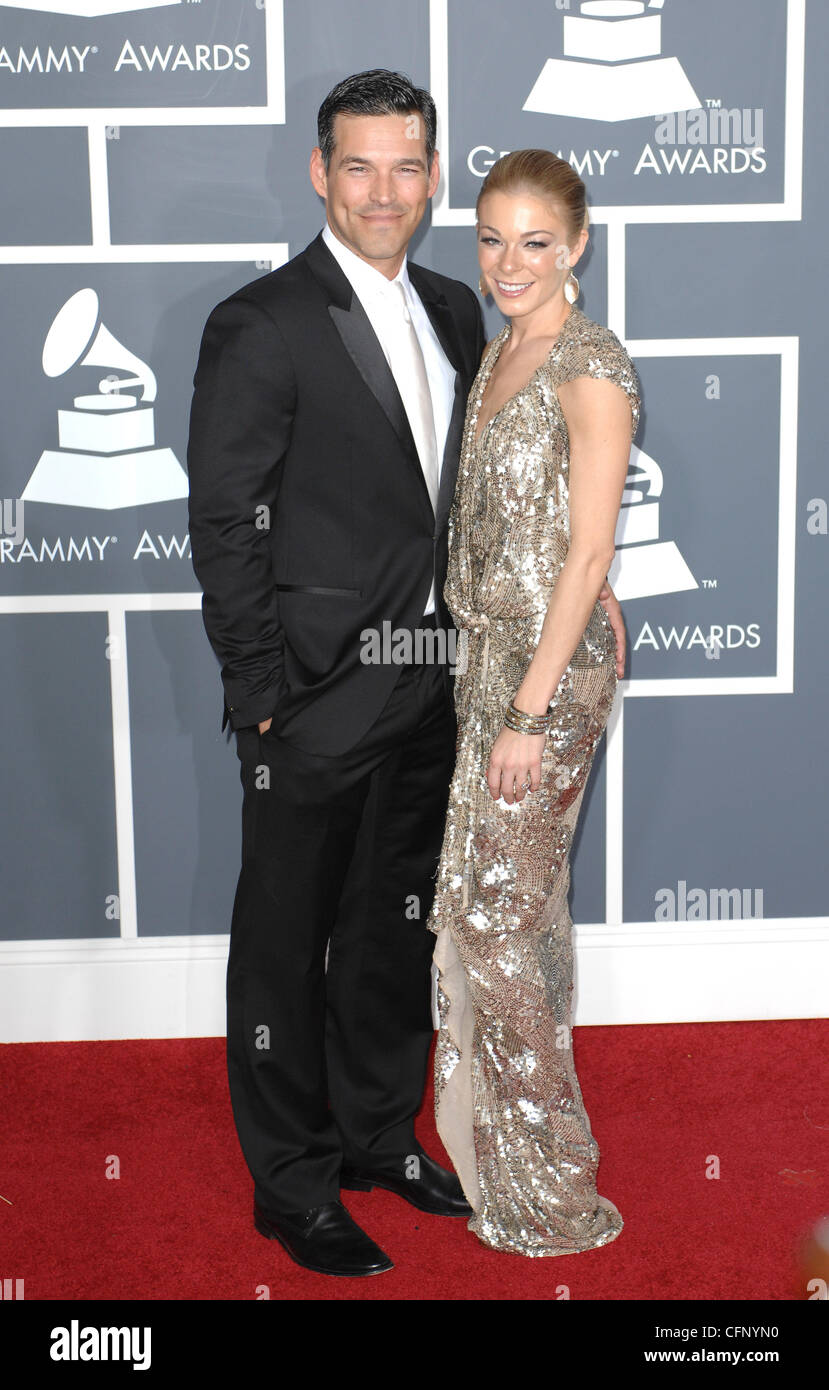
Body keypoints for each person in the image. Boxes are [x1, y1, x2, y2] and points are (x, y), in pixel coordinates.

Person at [187, 70, 628, 1278]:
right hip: (316, 700)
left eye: (407, 166)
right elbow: (225, 525)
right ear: (321, 173)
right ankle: (294, 1183)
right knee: (284, 947)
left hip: (440, 690)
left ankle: (380, 1135)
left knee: (392, 933)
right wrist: (264, 690)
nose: (384, 191)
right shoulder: (262, 321)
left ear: (432, 176)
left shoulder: (454, 308)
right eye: (359, 166)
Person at [427, 149, 640, 1257]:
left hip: (545, 676)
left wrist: (527, 708)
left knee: (495, 918)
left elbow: (589, 545)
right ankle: (509, 1158)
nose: (509, 263)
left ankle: (556, 1178)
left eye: (535, 243)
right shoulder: (501, 348)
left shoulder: (588, 365)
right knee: (507, 910)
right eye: (491, 239)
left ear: (579, 246)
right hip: (490, 658)